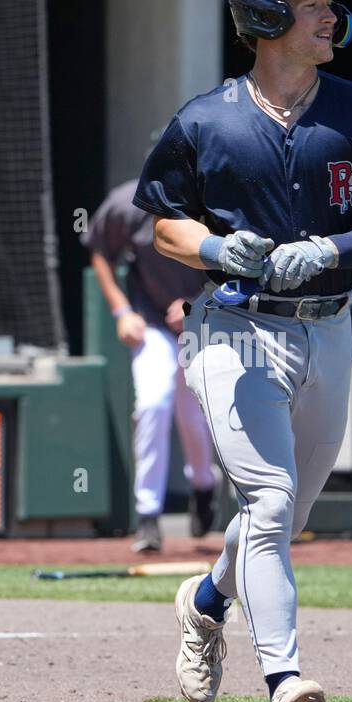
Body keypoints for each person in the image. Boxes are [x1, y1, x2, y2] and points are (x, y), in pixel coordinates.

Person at [134, 0, 352, 702]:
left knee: (289, 515)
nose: (330, 13)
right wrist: (214, 249)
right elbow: (162, 219)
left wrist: (335, 250)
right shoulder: (206, 118)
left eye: (330, 1)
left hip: (328, 325)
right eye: (311, 3)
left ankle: (204, 600)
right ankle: (285, 685)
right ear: (267, 16)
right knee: (268, 502)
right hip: (233, 328)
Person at [83, 179, 219, 553]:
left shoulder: (211, 199)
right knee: (153, 404)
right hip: (151, 320)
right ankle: (148, 516)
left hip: (201, 321)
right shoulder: (126, 202)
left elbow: (234, 262)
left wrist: (198, 301)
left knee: (194, 415)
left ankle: (204, 486)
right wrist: (122, 311)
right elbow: (98, 251)